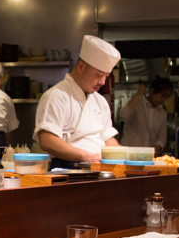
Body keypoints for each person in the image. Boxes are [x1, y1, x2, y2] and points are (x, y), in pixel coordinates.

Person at [34, 35, 121, 169]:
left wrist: (127, 156)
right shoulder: (56, 96)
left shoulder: (100, 101)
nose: (103, 82)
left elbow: (107, 139)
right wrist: (86, 157)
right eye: (99, 75)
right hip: (68, 168)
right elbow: (47, 141)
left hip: (98, 167)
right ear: (80, 67)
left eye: (106, 76)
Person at [119, 76, 173, 156]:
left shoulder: (162, 114)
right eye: (162, 95)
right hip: (128, 154)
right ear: (152, 91)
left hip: (147, 156)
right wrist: (138, 94)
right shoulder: (137, 104)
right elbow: (123, 115)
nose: (164, 100)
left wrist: (156, 149)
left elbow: (162, 138)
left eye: (166, 97)